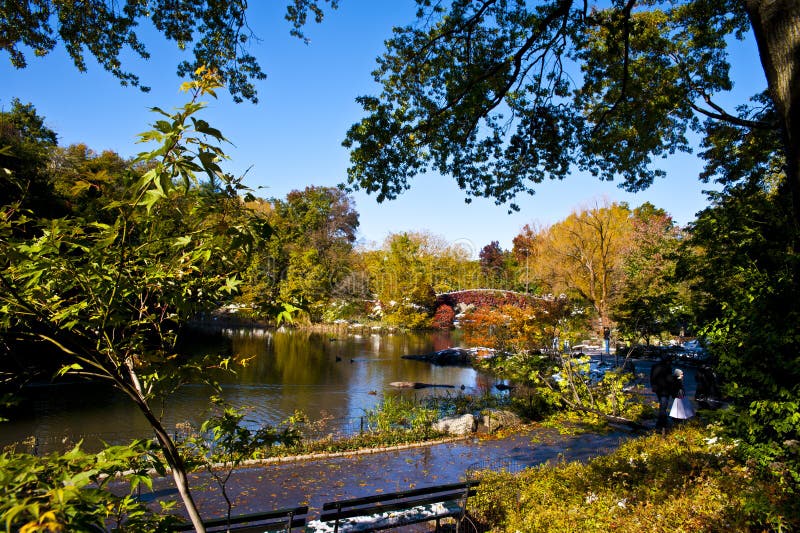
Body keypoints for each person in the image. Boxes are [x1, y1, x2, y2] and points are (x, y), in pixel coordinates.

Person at [650, 355, 673, 432]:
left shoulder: (655, 366)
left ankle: (661, 421)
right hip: (664, 389)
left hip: (659, 389)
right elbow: (669, 379)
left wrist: (653, 385)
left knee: (662, 404)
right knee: (663, 405)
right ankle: (661, 423)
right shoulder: (667, 368)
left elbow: (652, 377)